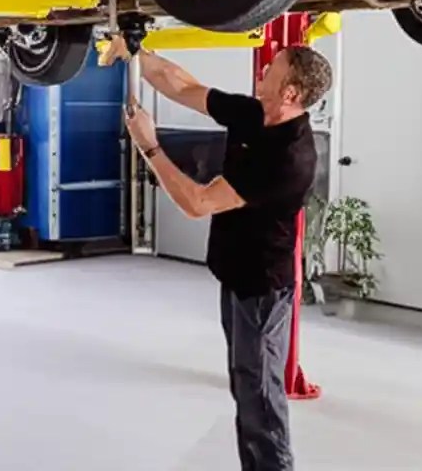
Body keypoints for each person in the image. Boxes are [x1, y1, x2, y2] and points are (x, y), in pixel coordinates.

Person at [103, 36, 332, 471]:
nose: (263, 71)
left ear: (290, 93)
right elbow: (184, 86)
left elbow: (197, 203)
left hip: (262, 289)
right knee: (246, 387)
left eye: (273, 69)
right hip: (238, 277)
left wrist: (149, 146)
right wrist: (135, 53)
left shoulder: (288, 158)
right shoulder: (255, 113)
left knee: (259, 395)